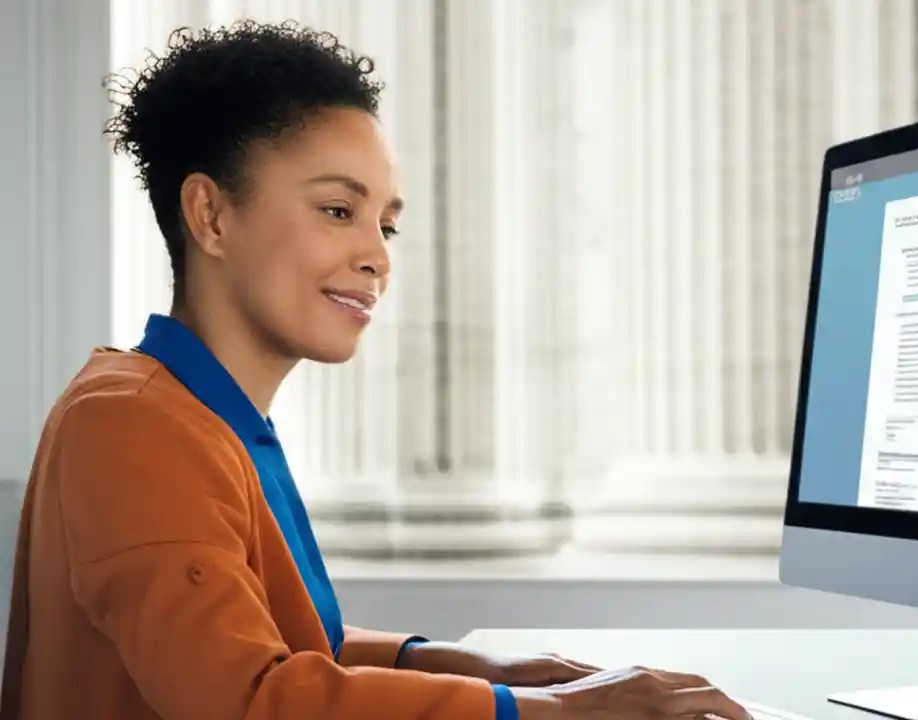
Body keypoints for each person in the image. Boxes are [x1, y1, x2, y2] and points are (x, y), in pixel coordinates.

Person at [0, 19, 752, 720]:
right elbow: (246, 697)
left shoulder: (211, 418)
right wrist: (551, 713)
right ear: (212, 217)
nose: (378, 256)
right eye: (338, 210)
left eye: (385, 224)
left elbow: (286, 646)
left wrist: (482, 665)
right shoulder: (133, 424)